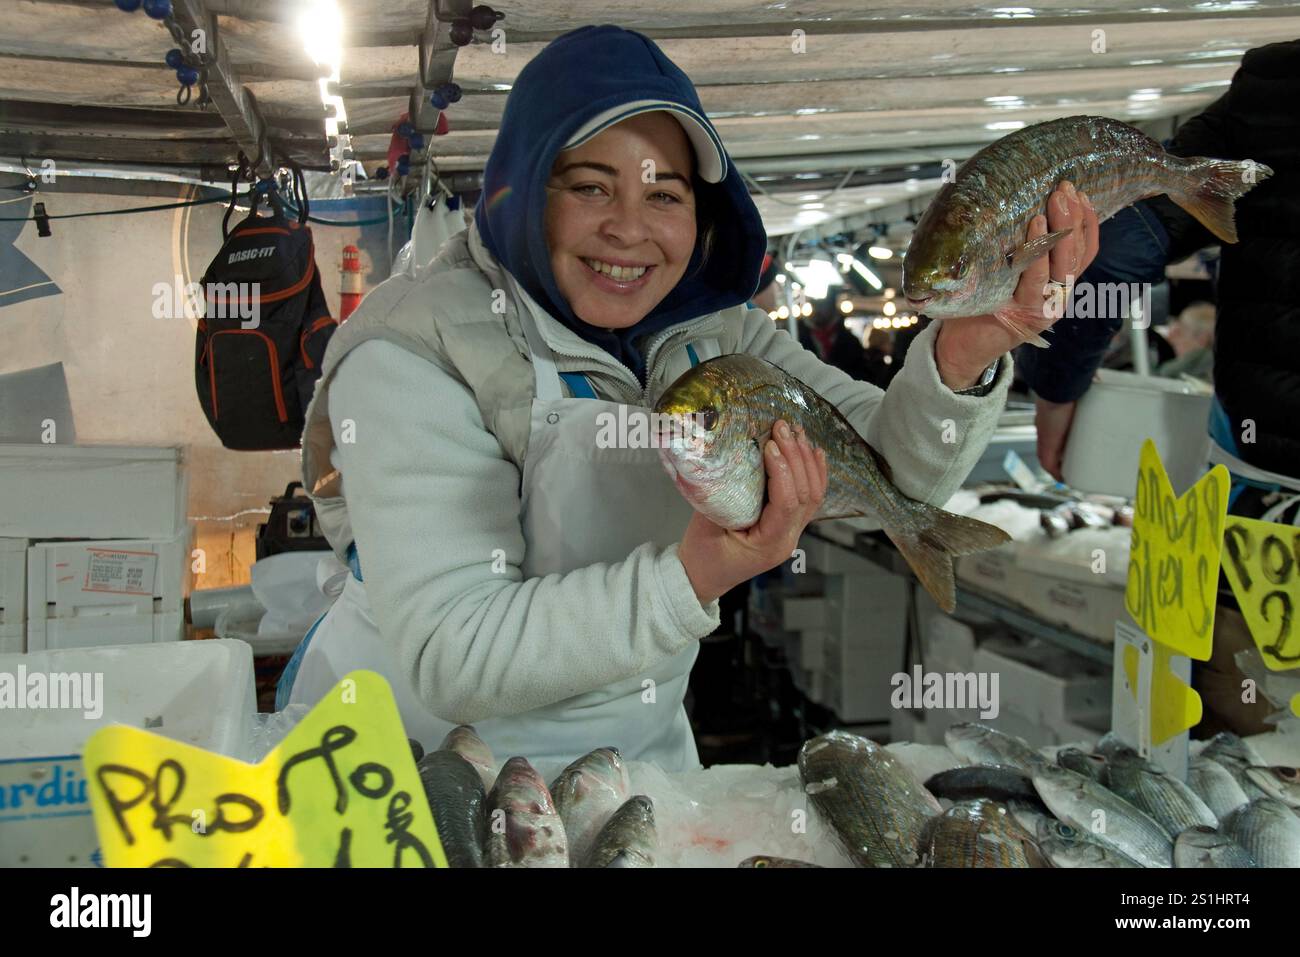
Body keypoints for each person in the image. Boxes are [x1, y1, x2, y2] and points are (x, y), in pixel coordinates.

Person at [280, 25, 1097, 769]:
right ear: (521, 187)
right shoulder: (415, 348)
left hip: (635, 762)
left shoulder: (721, 339)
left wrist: (962, 350)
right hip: (417, 774)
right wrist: (697, 574)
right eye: (590, 187)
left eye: (665, 195)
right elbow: (456, 652)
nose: (631, 230)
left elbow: (897, 472)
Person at [797, 296, 870, 381]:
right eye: (815, 305)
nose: (817, 310)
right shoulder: (800, 338)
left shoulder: (850, 341)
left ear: (832, 308)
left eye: (822, 306)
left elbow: (860, 374)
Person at [1157, 301, 1215, 382]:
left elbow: (1166, 372)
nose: (1171, 337)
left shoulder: (1183, 371)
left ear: (1202, 339)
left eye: (1179, 332)